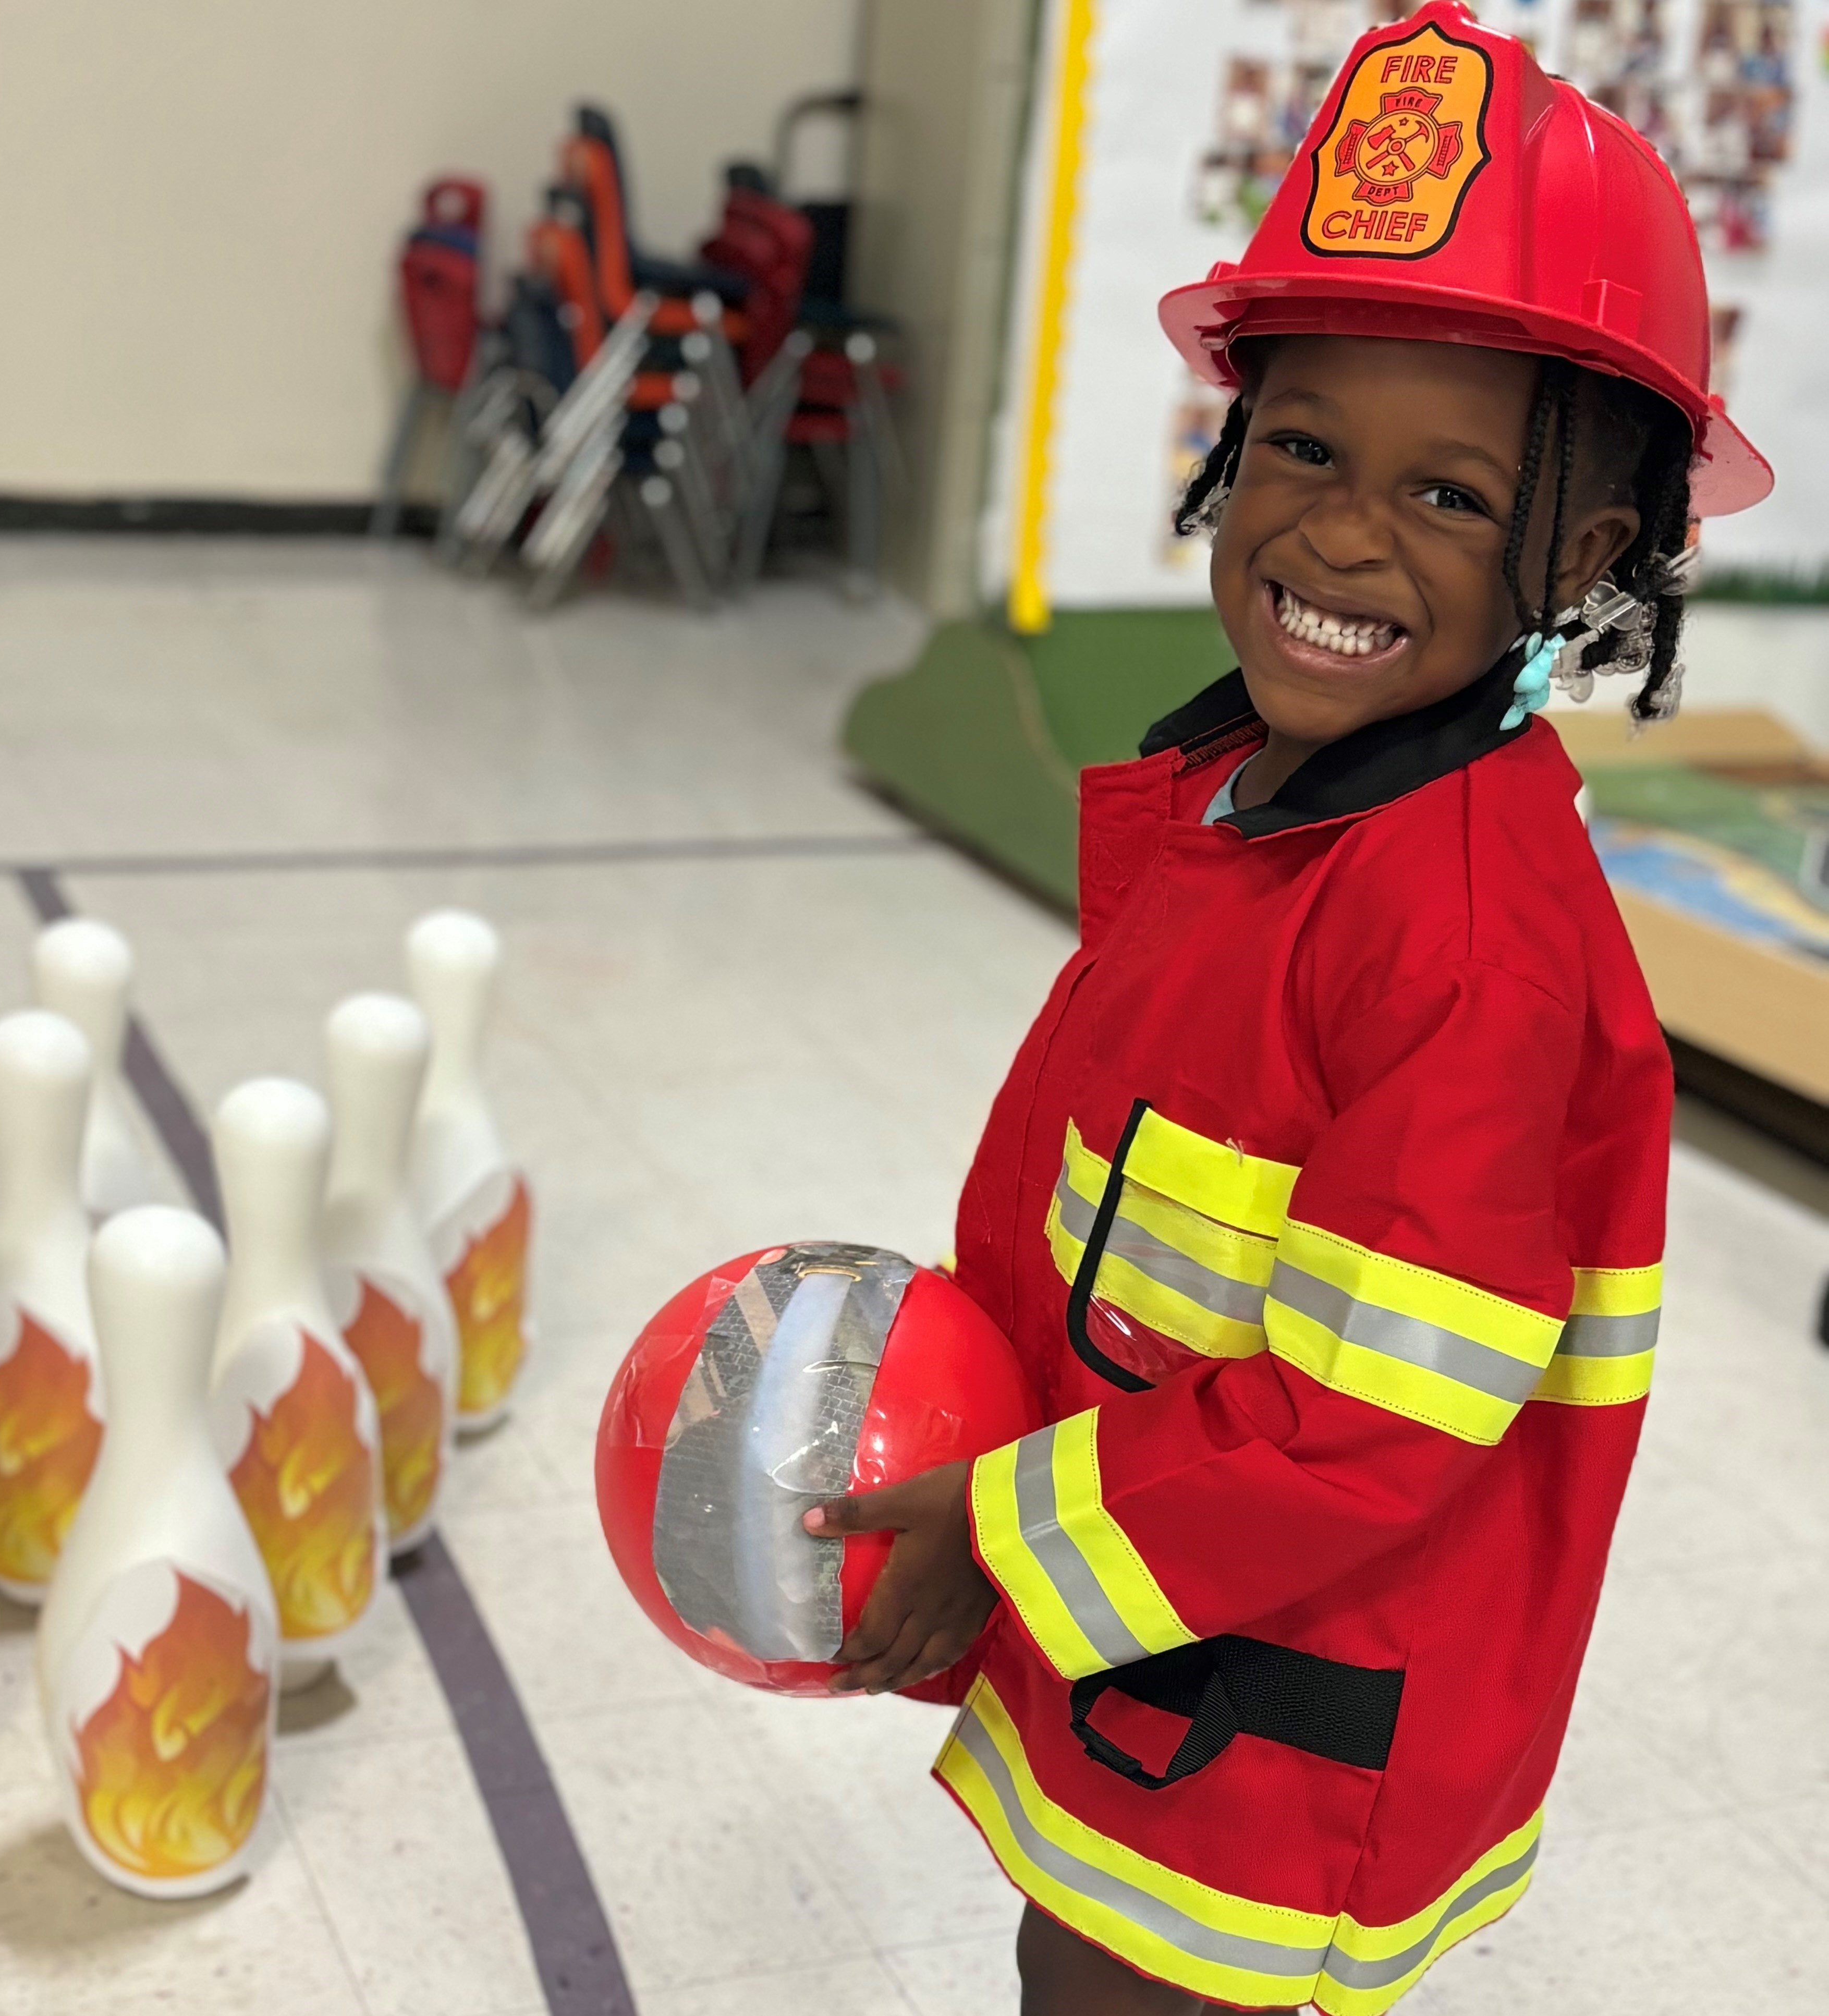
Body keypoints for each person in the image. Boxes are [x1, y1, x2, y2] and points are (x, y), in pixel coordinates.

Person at [802, 7, 1773, 2012]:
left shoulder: (1464, 944)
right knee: (1057, 1952)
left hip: (1272, 1718)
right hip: (1157, 1624)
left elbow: (1367, 1417)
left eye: (1443, 498)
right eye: (1308, 447)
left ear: (1582, 559)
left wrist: (999, 1529)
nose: (1337, 533)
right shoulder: (1265, 794)